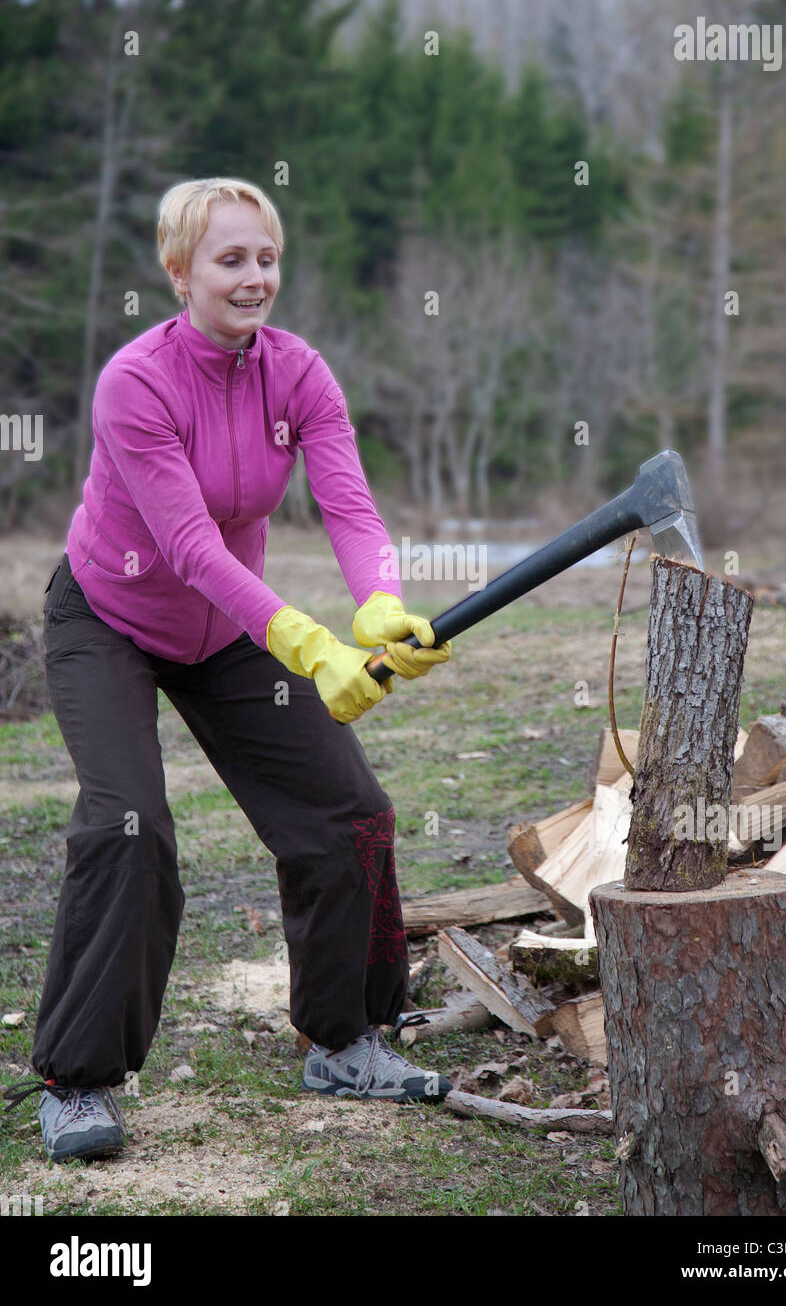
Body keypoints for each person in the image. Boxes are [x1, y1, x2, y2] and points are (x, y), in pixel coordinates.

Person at [2, 177, 453, 1164]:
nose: (255, 278)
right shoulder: (135, 380)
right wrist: (307, 641)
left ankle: (344, 1038)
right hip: (109, 612)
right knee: (130, 826)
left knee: (351, 811)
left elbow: (348, 506)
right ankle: (76, 1080)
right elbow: (190, 546)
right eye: (230, 259)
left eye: (266, 258)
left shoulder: (297, 374)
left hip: (225, 630)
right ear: (178, 273)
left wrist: (379, 602)